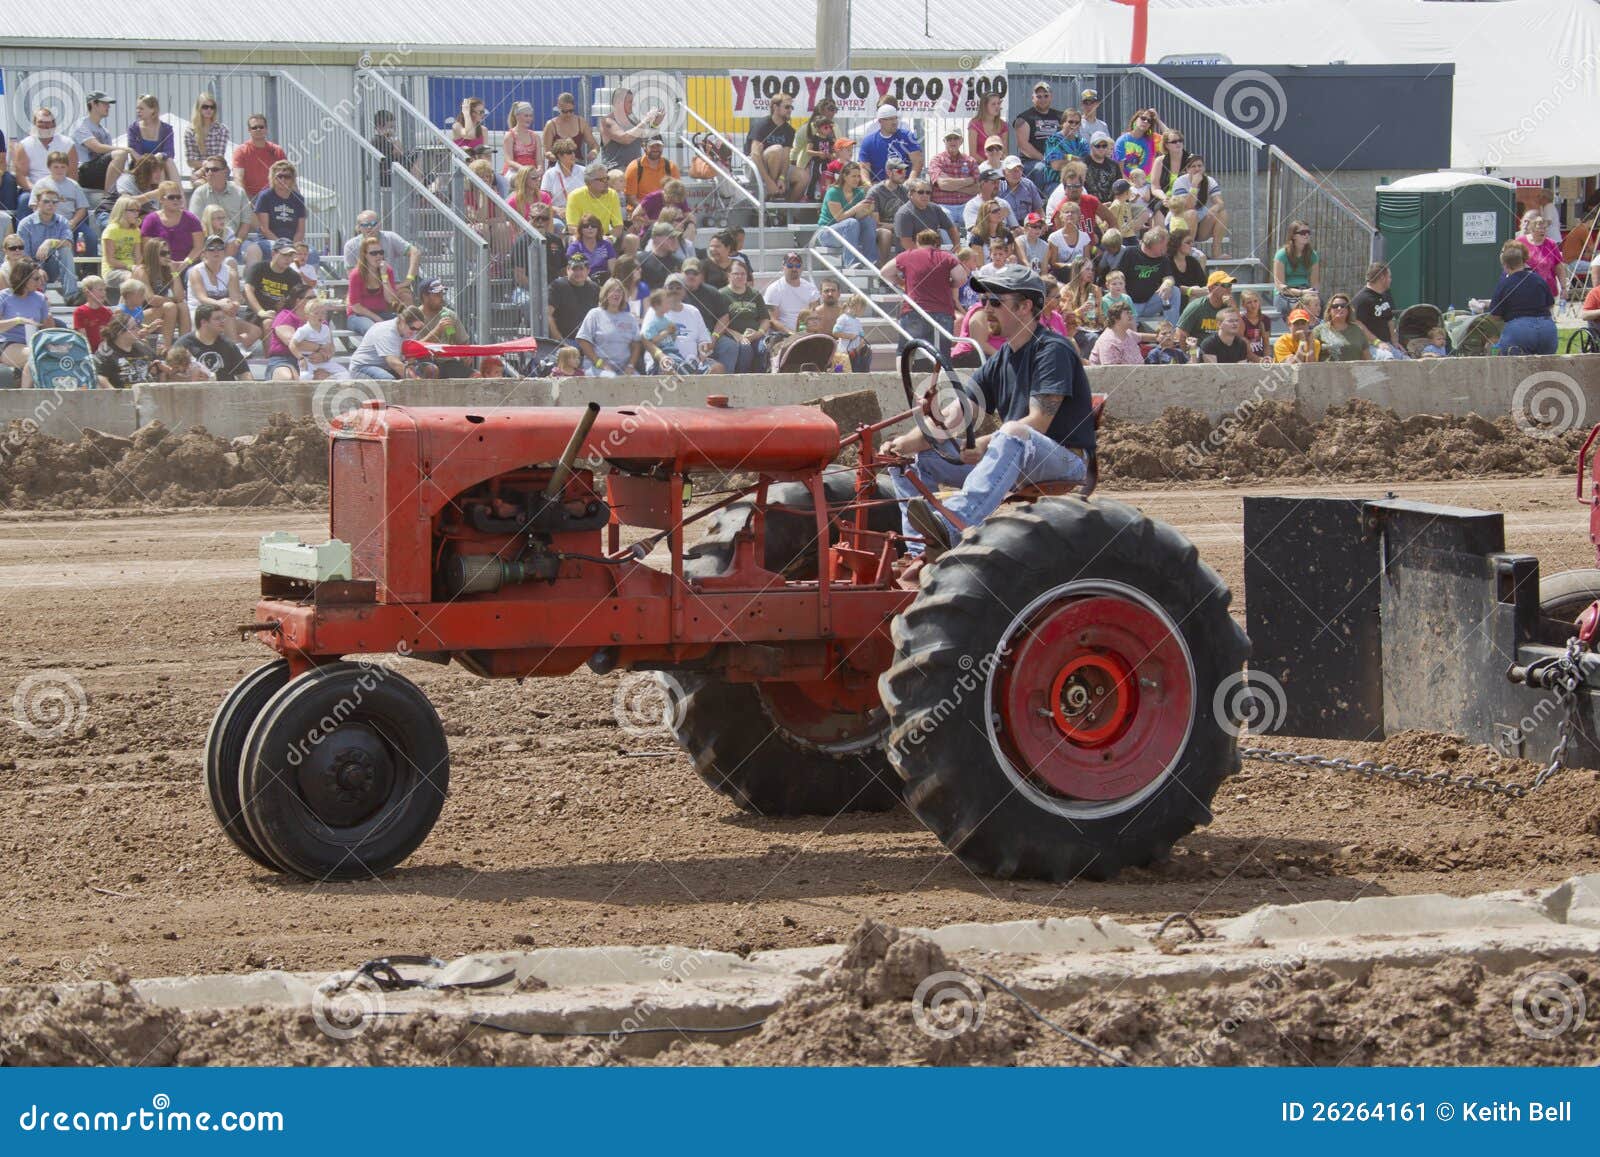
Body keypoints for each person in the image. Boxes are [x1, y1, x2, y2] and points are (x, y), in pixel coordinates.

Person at [887, 264, 1094, 562]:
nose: (986, 309)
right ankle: (923, 553)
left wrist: (983, 444)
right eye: (984, 302)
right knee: (914, 460)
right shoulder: (1001, 360)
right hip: (1013, 456)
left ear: (1024, 307)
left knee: (1014, 432)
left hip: (1063, 459)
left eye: (996, 302)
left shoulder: (1053, 350)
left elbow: (1038, 422)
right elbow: (955, 414)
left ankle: (952, 524)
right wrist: (903, 445)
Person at [878, 229, 967, 358]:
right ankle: (940, 378)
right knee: (942, 354)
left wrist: (901, 282)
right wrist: (951, 285)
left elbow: (884, 272)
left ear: (918, 242)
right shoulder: (946, 257)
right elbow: (961, 278)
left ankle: (902, 377)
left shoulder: (907, 255)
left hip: (914, 310)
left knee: (905, 352)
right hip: (942, 312)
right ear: (937, 243)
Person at [186, 234, 258, 348]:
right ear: (203, 254)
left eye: (220, 248)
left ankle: (229, 348)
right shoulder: (196, 271)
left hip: (223, 313)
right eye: (211, 248)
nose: (216, 251)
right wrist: (221, 304)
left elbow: (235, 298)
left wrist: (234, 305)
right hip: (199, 313)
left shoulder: (230, 272)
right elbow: (202, 298)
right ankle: (234, 349)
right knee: (225, 314)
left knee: (255, 331)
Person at [1489, 239, 1557, 355]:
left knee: (1514, 368)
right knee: (1546, 369)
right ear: (1523, 261)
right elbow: (1550, 303)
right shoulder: (1538, 279)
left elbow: (1494, 315)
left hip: (1519, 331)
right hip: (1547, 329)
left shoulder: (1505, 283)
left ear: (1505, 265)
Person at [643, 276, 721, 374]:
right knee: (668, 367)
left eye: (678, 288)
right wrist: (662, 357)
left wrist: (703, 350)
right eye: (670, 288)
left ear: (685, 291)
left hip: (691, 363)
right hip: (664, 362)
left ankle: (688, 371)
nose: (674, 291)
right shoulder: (654, 310)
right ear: (664, 290)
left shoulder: (693, 311)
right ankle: (683, 371)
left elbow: (703, 340)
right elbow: (645, 339)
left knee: (718, 368)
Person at [10, 107, 76, 220]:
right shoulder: (24, 145)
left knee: (80, 203)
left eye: (48, 122)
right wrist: (36, 189)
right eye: (41, 122)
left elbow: (72, 174)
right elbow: (21, 176)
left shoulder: (68, 144)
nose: (45, 126)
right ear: (34, 124)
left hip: (62, 187)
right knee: (24, 200)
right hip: (34, 189)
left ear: (54, 124)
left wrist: (63, 189)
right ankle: (23, 236)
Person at [30, 150, 96, 259]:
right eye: (56, 167)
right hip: (47, 222)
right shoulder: (41, 184)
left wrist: (73, 222)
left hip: (71, 223)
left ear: (67, 168)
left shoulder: (74, 185)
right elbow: (34, 206)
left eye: (62, 167)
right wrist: (46, 220)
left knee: (91, 237)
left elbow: (82, 208)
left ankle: (88, 270)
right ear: (49, 167)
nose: (59, 170)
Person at [17, 191, 79, 303]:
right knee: (32, 269)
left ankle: (72, 297)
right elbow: (23, 255)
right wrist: (37, 269)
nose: (51, 204)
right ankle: (38, 298)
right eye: (46, 201)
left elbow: (68, 244)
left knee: (65, 250)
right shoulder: (25, 224)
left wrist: (50, 242)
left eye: (54, 202)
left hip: (54, 266)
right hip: (31, 267)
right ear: (37, 203)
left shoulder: (62, 221)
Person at [66, 91, 130, 197]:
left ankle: (113, 195)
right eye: (105, 103)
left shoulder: (105, 131)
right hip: (82, 173)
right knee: (121, 154)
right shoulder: (81, 125)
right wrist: (127, 150)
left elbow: (110, 156)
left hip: (99, 174)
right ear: (93, 104)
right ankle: (108, 196)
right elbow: (97, 148)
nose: (108, 106)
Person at [815, 161, 878, 268]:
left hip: (850, 231)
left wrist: (868, 209)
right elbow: (839, 218)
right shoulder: (833, 192)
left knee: (868, 221)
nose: (857, 179)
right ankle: (850, 263)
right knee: (851, 223)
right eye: (853, 176)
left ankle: (870, 261)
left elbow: (858, 216)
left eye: (858, 176)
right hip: (827, 233)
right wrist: (857, 207)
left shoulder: (859, 192)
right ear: (844, 176)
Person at [1115, 226, 1181, 327]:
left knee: (1175, 291)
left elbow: (1169, 277)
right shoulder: (1130, 253)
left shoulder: (1163, 259)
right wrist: (1126, 303)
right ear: (1156, 243)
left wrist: (1167, 284)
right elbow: (1117, 277)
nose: (1167, 248)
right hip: (1130, 303)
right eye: (1165, 244)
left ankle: (1171, 332)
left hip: (1150, 303)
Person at [575, 277, 642, 375]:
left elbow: (636, 344)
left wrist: (631, 365)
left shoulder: (630, 318)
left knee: (637, 380)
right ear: (605, 294)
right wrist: (599, 363)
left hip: (623, 368)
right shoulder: (594, 314)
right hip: (597, 367)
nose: (616, 294)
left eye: (619, 291)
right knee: (611, 377)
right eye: (612, 291)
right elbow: (583, 340)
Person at [0, 260, 51, 388]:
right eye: (36, 278)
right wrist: (18, 320)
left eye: (41, 278)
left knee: (43, 354)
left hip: (33, 343)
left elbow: (48, 328)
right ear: (23, 278)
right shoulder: (4, 296)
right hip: (7, 343)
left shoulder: (40, 298)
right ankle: (25, 395)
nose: (40, 282)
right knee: (34, 355)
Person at [342, 211, 421, 291]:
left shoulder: (390, 237)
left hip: (392, 284)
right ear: (358, 227)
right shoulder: (350, 246)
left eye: (373, 224)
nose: (369, 227)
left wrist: (409, 280)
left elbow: (415, 252)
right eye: (365, 224)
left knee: (406, 297)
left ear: (379, 225)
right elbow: (351, 276)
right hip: (365, 287)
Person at [410, 278, 473, 378]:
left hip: (448, 360)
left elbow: (463, 342)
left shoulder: (449, 315)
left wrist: (467, 355)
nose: (441, 298)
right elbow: (413, 349)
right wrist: (438, 330)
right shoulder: (415, 316)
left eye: (442, 294)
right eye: (437, 295)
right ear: (425, 296)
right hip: (423, 360)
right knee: (432, 370)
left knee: (475, 375)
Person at [346, 234, 403, 337]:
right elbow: (356, 307)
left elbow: (390, 300)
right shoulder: (356, 274)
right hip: (358, 316)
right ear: (365, 255)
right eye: (373, 253)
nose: (378, 256)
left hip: (381, 313)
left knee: (404, 323)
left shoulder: (387, 270)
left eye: (381, 252)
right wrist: (377, 319)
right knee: (373, 329)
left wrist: (384, 276)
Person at [177, 301, 252, 381]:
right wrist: (190, 378)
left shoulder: (228, 344)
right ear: (204, 322)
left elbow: (244, 373)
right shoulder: (184, 344)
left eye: (223, 318)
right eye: (217, 319)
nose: (222, 321)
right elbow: (172, 374)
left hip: (224, 391)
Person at [347, 304, 424, 380]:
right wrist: (415, 378)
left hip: (386, 367)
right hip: (363, 367)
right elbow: (393, 362)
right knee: (388, 379)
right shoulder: (386, 331)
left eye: (418, 329)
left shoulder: (410, 332)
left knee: (426, 370)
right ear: (402, 321)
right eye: (412, 328)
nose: (414, 332)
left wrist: (412, 367)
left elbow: (411, 357)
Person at [243, 238, 305, 329]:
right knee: (269, 322)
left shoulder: (294, 277)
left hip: (281, 315)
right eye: (284, 255)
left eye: (291, 255)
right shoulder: (259, 268)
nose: (288, 259)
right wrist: (261, 312)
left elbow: (300, 299)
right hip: (255, 313)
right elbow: (247, 291)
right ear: (273, 253)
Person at [1012, 82, 1063, 193]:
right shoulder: (1024, 118)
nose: (1042, 99)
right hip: (1033, 161)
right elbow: (1023, 146)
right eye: (1038, 96)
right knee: (1041, 168)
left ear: (1051, 97)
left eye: (1046, 95)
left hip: (1057, 159)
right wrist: (1045, 158)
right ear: (1032, 98)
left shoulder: (1061, 116)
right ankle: (1039, 200)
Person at [1169, 155, 1228, 252]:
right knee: (1192, 213)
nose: (1197, 169)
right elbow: (1187, 207)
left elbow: (1220, 202)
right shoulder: (1180, 182)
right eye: (1193, 166)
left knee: (1222, 213)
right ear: (1187, 169)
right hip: (1179, 225)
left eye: (1199, 166)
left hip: (1200, 226)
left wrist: (1215, 208)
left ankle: (1216, 251)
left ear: (1204, 168)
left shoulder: (1209, 180)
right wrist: (1194, 185)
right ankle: (1188, 251)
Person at [600, 87, 663, 174]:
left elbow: (646, 141)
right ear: (619, 103)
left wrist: (655, 124)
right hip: (616, 172)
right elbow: (625, 139)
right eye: (630, 102)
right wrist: (646, 120)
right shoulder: (607, 121)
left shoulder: (633, 122)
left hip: (635, 169)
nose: (633, 105)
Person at [1350, 262, 1405, 359]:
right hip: (1371, 346)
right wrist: (1377, 342)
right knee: (1388, 358)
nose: (1390, 280)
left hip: (1387, 344)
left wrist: (1395, 342)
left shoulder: (1385, 295)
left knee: (1406, 360)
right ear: (1382, 278)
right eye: (1389, 277)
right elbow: (1358, 324)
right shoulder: (1361, 299)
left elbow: (1390, 319)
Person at [141, 180, 205, 264]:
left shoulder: (191, 219)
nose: (176, 200)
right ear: (161, 199)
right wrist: (167, 264)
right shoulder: (150, 220)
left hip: (187, 266)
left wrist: (184, 264)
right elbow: (147, 249)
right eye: (171, 197)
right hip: (159, 265)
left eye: (178, 197)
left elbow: (198, 247)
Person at [565, 163, 627, 248]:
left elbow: (618, 226)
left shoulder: (612, 194)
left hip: (605, 238)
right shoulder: (575, 196)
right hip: (583, 238)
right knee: (573, 240)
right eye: (602, 180)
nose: (606, 182)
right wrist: (591, 240)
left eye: (607, 178)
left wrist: (610, 239)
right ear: (589, 182)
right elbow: (572, 227)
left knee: (631, 239)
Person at [94, 315, 163, 389]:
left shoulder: (143, 347)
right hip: (122, 396)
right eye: (133, 328)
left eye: (137, 326)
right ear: (119, 332)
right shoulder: (106, 352)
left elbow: (160, 369)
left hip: (147, 393)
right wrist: (114, 393)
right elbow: (101, 377)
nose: (138, 329)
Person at [762, 252, 821, 337]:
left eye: (797, 266)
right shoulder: (774, 289)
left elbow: (815, 315)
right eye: (790, 266)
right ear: (783, 267)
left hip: (807, 333)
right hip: (783, 335)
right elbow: (772, 320)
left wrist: (804, 334)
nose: (794, 269)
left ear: (801, 268)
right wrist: (791, 334)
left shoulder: (810, 288)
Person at [857, 106, 923, 183]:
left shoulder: (907, 136)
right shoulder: (868, 141)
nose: (895, 122)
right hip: (878, 187)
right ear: (880, 121)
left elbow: (918, 161)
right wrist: (868, 185)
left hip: (903, 186)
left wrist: (910, 181)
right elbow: (864, 168)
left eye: (895, 118)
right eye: (890, 119)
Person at [894, 178, 959, 254]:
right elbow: (906, 243)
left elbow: (951, 228)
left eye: (928, 192)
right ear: (911, 194)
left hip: (933, 253)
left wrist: (956, 246)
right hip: (910, 255)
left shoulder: (935, 208)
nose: (925, 195)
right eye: (920, 192)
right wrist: (926, 256)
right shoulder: (904, 214)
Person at [547, 252, 601, 342]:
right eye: (574, 269)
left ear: (588, 270)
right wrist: (560, 341)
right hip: (564, 341)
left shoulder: (594, 288)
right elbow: (547, 315)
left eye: (581, 269)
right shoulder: (557, 286)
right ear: (567, 269)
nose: (578, 272)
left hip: (589, 340)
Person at [126, 95, 179, 184]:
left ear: (153, 110)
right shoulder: (133, 129)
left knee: (168, 161)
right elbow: (136, 153)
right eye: (137, 108)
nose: (138, 111)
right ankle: (161, 195)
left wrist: (160, 156)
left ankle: (180, 195)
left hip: (160, 165)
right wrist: (153, 160)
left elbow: (170, 152)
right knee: (158, 167)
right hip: (140, 166)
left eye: (141, 108)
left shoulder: (166, 129)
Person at [231, 114, 285, 201]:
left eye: (261, 127)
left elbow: (288, 176)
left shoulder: (277, 151)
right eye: (254, 127)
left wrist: (298, 200)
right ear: (249, 130)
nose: (258, 129)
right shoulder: (241, 151)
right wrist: (246, 201)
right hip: (250, 196)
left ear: (266, 129)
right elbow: (238, 178)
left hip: (274, 196)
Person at [254, 161, 307, 249]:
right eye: (279, 176)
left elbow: (300, 231)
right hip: (269, 241)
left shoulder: (299, 199)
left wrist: (293, 246)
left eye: (287, 177)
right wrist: (281, 245)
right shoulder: (265, 197)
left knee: (312, 254)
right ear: (273, 178)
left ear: (292, 179)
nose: (283, 180)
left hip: (292, 243)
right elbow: (264, 229)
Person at [1273, 220, 1320, 317]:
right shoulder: (1282, 254)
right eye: (1302, 233)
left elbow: (1315, 283)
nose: (1306, 235)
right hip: (1285, 294)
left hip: (1306, 291)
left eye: (1308, 232)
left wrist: (1311, 294)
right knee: (1293, 307)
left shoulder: (1313, 255)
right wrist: (1300, 293)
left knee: (1318, 305)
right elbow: (1280, 285)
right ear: (1293, 236)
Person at [1517, 211, 1568, 299]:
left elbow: (1559, 267)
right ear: (1532, 229)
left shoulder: (1551, 244)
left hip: (1548, 290)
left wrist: (1563, 288)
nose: (1543, 231)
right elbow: (1513, 264)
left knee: (1547, 312)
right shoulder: (1520, 242)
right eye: (1539, 228)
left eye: (1544, 228)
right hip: (1526, 290)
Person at [1177, 270, 1235, 344]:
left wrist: (1234, 308)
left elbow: (1240, 333)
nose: (1228, 288)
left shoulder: (1229, 306)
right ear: (1211, 288)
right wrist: (1187, 354)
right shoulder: (1196, 306)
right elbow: (1181, 333)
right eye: (1225, 285)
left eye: (1230, 285)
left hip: (1223, 350)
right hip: (1201, 351)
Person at [927, 130, 980, 209]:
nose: (952, 141)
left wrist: (951, 185)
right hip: (943, 206)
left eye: (955, 138)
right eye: (949, 139)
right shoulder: (937, 160)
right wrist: (970, 180)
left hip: (967, 206)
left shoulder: (971, 161)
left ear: (961, 141)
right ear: (944, 141)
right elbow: (943, 184)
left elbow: (977, 189)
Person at [184, 94, 230, 181]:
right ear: (199, 108)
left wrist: (201, 170)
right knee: (199, 183)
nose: (209, 109)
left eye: (212, 107)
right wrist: (204, 165)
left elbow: (219, 158)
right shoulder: (190, 131)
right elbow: (191, 161)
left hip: (218, 169)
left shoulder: (222, 129)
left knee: (207, 180)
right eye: (205, 107)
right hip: (198, 172)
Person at [1314, 292, 1370, 362]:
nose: (1339, 308)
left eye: (1343, 306)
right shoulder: (1318, 330)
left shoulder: (1358, 330)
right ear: (1329, 310)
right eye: (1335, 306)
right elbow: (1312, 358)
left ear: (1348, 310)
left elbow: (1367, 358)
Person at [625, 136, 678, 209]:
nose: (655, 149)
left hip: (664, 212)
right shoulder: (634, 167)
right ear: (644, 147)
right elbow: (631, 198)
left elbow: (676, 194)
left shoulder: (671, 166)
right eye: (652, 146)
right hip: (640, 213)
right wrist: (647, 212)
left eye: (659, 145)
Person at [543, 93, 596, 164]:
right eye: (564, 111)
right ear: (558, 108)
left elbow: (594, 144)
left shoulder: (581, 122)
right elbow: (547, 151)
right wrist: (552, 156)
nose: (568, 114)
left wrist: (593, 152)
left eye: (571, 111)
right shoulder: (551, 125)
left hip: (577, 165)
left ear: (574, 107)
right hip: (557, 165)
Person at [950, 298, 1004, 368]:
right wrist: (1004, 358)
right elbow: (980, 343)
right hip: (972, 359)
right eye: (985, 299)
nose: (987, 306)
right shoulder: (980, 311)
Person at [566, 212, 620, 280]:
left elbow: (613, 271)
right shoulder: (574, 248)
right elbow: (573, 272)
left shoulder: (606, 245)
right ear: (580, 229)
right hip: (582, 282)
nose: (590, 228)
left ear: (598, 229)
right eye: (586, 226)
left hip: (604, 281)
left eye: (594, 226)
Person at [1045, 202, 1092, 278]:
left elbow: (1087, 260)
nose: (1070, 214)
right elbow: (1053, 263)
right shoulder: (1054, 237)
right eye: (1066, 212)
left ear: (1078, 216)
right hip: (1061, 274)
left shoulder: (1085, 237)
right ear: (1061, 216)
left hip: (1080, 275)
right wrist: (1069, 266)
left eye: (1073, 212)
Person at [1114, 109, 1164, 180]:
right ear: (1135, 120)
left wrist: (1158, 120)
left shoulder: (1152, 139)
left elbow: (1172, 138)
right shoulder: (1122, 140)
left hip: (1147, 184)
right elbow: (1120, 172)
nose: (1146, 121)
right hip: (1128, 183)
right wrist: (1131, 187)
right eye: (1143, 118)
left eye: (1149, 121)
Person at [1088, 300, 1143, 365]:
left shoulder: (1127, 333)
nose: (1131, 315)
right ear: (1116, 318)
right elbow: (1110, 370)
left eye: (1131, 313)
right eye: (1127, 313)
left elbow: (1143, 337)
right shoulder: (1108, 341)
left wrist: (1157, 335)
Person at [962, 169, 1016, 233]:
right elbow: (974, 231)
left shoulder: (1004, 203)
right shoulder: (972, 205)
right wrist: (997, 217)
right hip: (981, 242)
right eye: (993, 183)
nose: (997, 186)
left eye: (998, 183)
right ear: (982, 184)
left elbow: (1015, 227)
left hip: (1002, 241)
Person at [501, 101, 543, 179]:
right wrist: (525, 170)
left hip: (532, 173)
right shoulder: (510, 136)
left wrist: (539, 170)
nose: (529, 119)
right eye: (526, 116)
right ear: (517, 116)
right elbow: (509, 161)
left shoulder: (535, 136)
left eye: (530, 116)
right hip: (515, 174)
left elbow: (539, 160)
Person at [636, 222, 683, 291]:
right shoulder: (640, 259)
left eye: (676, 237)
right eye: (671, 237)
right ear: (656, 238)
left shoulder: (678, 262)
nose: (675, 240)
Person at [73, 275, 114, 349]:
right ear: (88, 292)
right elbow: (82, 338)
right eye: (100, 290)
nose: (104, 293)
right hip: (88, 353)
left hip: (105, 353)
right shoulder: (80, 312)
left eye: (105, 290)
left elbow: (111, 337)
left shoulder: (108, 312)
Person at [1150, 128, 1190, 199]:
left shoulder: (1192, 159)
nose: (1178, 143)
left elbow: (1198, 185)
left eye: (1180, 140)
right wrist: (1164, 198)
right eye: (1174, 142)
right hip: (1164, 199)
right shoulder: (1159, 161)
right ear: (1166, 145)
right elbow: (1155, 187)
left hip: (1186, 199)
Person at [1083, 133, 1121, 202]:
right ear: (1091, 146)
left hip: (1112, 206)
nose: (1101, 149)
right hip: (1090, 206)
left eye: (1104, 146)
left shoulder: (1114, 165)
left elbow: (1119, 188)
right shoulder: (1082, 165)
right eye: (1098, 146)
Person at [1239, 289, 1273, 363]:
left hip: (1259, 353)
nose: (1253, 305)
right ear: (1243, 305)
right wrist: (1259, 360)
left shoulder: (1265, 319)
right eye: (1249, 302)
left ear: (1260, 302)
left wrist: (1266, 358)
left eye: (1255, 301)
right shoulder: (1241, 320)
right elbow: (1242, 346)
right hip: (1244, 356)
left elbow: (1266, 343)